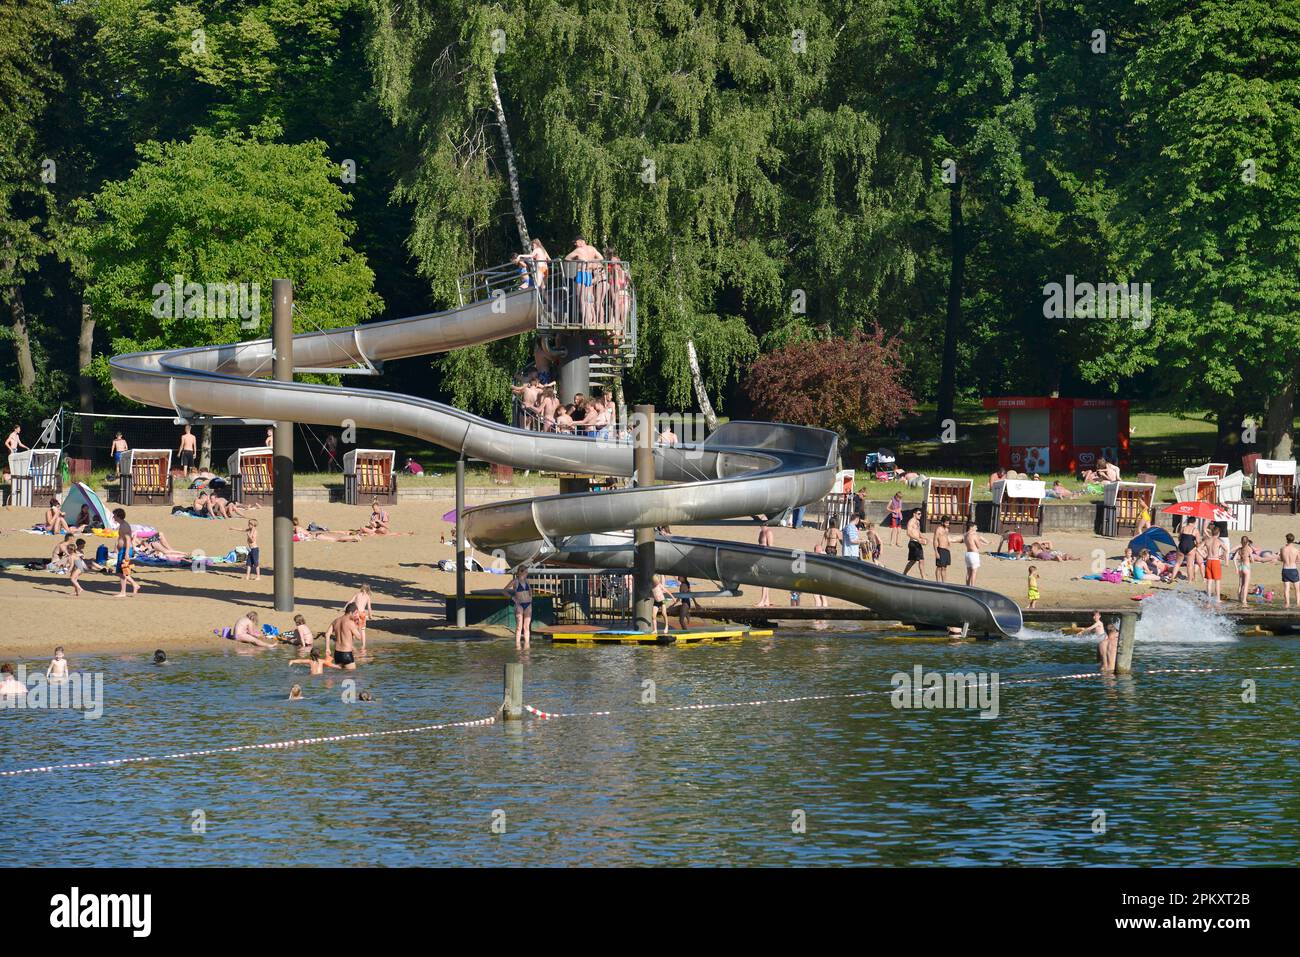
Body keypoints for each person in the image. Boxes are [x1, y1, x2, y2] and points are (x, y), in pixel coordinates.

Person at [111, 508, 140, 597]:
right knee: (121, 571)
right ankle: (134, 585)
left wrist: (126, 553)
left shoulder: (124, 526)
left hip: (125, 550)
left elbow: (128, 540)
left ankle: (124, 591)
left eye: (114, 515)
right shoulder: (122, 525)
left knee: (122, 572)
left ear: (118, 516)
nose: (113, 517)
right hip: (122, 550)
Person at [326, 603, 362, 669]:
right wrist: (360, 625)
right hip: (346, 653)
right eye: (355, 613)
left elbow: (327, 634)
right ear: (351, 612)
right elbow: (359, 638)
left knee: (339, 675)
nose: (356, 615)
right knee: (352, 675)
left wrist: (327, 648)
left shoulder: (336, 621)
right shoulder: (350, 623)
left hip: (337, 653)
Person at [504, 569, 532, 648]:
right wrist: (512, 598)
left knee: (526, 627)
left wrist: (530, 598)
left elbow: (530, 591)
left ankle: (527, 645)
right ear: (520, 572)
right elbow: (504, 591)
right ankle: (518, 646)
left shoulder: (527, 581)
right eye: (525, 572)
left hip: (528, 604)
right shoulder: (515, 581)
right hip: (519, 604)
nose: (527, 573)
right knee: (519, 626)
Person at [1202, 524, 1227, 604]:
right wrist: (1222, 555)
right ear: (1218, 533)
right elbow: (1226, 549)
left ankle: (1208, 598)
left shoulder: (1207, 540)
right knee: (1217, 581)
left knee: (1209, 581)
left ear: (1212, 532)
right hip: (1216, 561)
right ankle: (1218, 598)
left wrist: (1204, 555)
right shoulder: (1219, 541)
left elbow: (1198, 548)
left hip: (1209, 560)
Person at [755, 524, 776, 606]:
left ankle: (762, 601)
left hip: (767, 558)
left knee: (765, 581)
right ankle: (767, 600)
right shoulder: (761, 532)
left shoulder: (768, 532)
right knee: (764, 580)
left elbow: (770, 547)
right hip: (760, 558)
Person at [348, 584, 373, 651]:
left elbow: (350, 602)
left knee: (353, 629)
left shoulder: (357, 594)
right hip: (362, 613)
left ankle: (352, 644)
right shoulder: (368, 596)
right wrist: (370, 615)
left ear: (362, 588)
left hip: (356, 613)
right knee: (363, 630)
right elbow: (369, 608)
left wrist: (345, 608)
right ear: (368, 589)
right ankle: (363, 645)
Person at [903, 510, 926, 578]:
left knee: (914, 561)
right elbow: (908, 533)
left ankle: (904, 573)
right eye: (918, 514)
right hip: (913, 543)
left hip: (917, 543)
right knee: (920, 560)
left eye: (920, 514)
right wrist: (918, 539)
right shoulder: (911, 521)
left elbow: (918, 532)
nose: (920, 515)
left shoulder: (918, 522)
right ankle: (923, 577)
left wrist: (924, 538)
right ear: (914, 514)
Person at [1280, 533, 1300, 608]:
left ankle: (1287, 604)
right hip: (1293, 570)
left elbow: (1282, 559)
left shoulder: (1282, 549)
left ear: (1286, 539)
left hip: (1285, 569)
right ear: (1293, 540)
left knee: (1286, 589)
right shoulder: (1296, 550)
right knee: (1297, 589)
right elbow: (1299, 560)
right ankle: (1298, 604)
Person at [1233, 535, 1253, 607]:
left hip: (1240, 567)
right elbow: (1252, 559)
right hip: (1246, 567)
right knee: (1246, 585)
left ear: (1241, 542)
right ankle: (1244, 600)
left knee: (1240, 584)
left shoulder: (1239, 550)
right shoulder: (1249, 549)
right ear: (1247, 542)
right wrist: (1250, 560)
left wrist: (1236, 568)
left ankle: (1239, 599)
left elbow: (1234, 559)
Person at [932, 517, 952, 583]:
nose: (948, 524)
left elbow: (947, 538)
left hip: (946, 550)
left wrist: (949, 543)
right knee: (939, 567)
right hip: (940, 549)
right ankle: (938, 582)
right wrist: (936, 552)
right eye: (946, 523)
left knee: (944, 568)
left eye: (948, 523)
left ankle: (944, 582)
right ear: (942, 522)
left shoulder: (947, 529)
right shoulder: (938, 529)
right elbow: (935, 540)